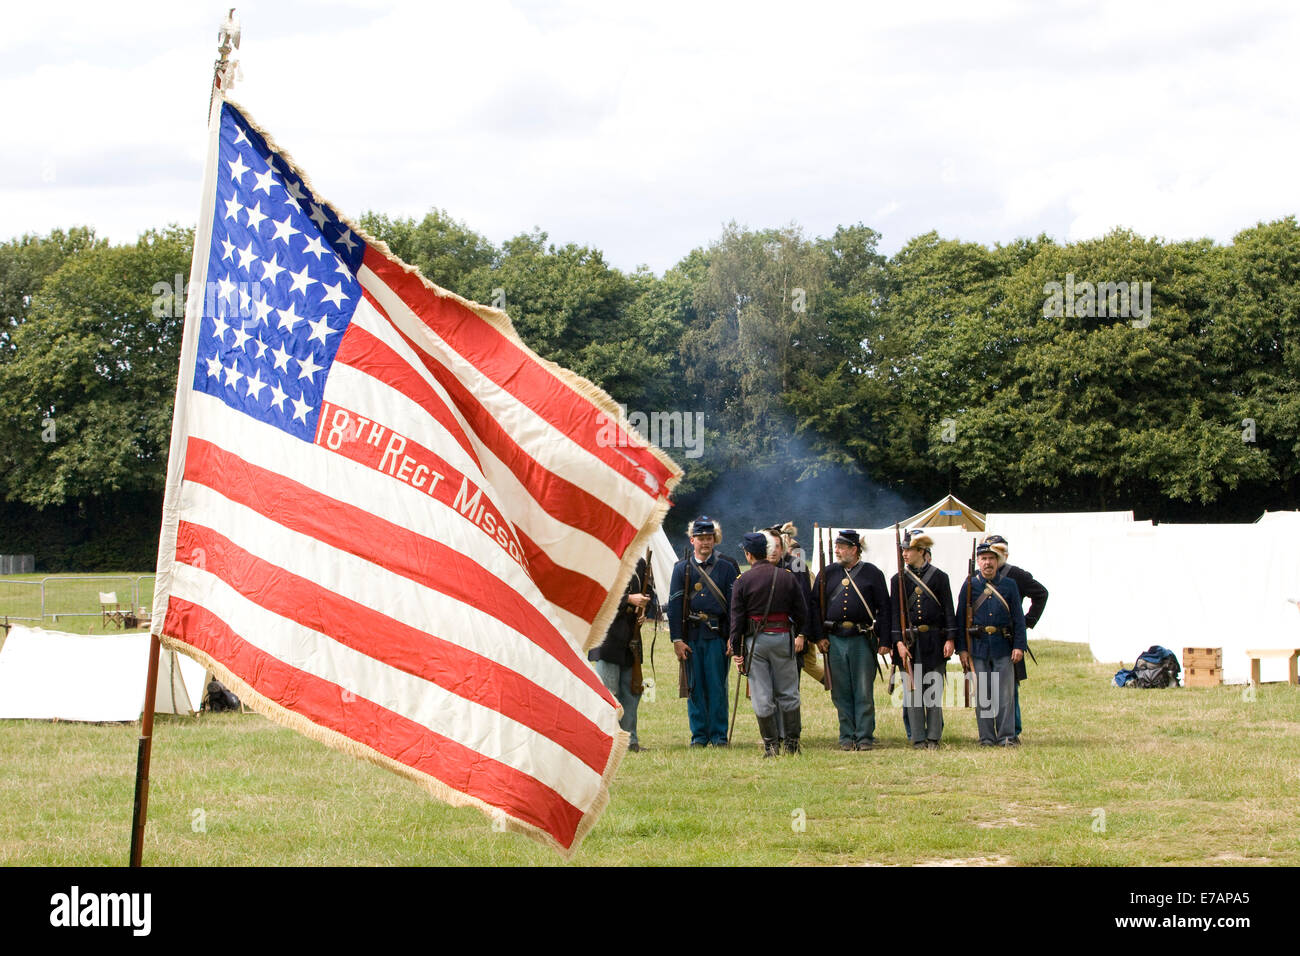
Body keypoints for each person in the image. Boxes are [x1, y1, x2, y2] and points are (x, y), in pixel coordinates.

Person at [810, 529, 891, 751]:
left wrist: (884, 639)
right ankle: (847, 735)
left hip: (862, 639)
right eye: (836, 546)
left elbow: (884, 608)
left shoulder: (872, 574)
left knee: (864, 690)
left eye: (842, 547)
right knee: (840, 690)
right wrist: (819, 636)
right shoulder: (827, 573)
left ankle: (864, 735)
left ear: (854, 550)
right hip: (834, 639)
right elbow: (815, 606)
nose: (837, 551)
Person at [729, 531, 808, 756]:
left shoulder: (742, 581)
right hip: (783, 637)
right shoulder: (786, 576)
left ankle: (771, 746)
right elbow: (801, 612)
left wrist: (737, 650)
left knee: (762, 694)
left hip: (756, 643)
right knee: (789, 692)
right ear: (765, 552)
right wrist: (799, 633)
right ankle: (792, 744)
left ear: (747, 554)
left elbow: (737, 620)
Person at [666, 516, 739, 747]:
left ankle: (718, 736)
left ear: (714, 540)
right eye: (701, 539)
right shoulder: (681, 568)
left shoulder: (727, 567)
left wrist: (732, 638)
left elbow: (733, 607)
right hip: (692, 637)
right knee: (694, 687)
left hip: (717, 635)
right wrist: (677, 639)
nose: (705, 542)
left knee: (717, 687)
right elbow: (675, 606)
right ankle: (699, 736)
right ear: (692, 540)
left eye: (709, 538)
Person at [889, 529, 957, 750]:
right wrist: (898, 643)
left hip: (934, 641)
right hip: (909, 643)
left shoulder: (940, 577)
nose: (904, 554)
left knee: (933, 692)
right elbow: (894, 615)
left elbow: (949, 610)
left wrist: (950, 639)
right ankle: (918, 738)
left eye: (908, 550)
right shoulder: (898, 580)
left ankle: (934, 737)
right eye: (903, 550)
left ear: (921, 551)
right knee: (912, 692)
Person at [956, 541, 1027, 746]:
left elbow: (1018, 619)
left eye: (992, 559)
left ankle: (1006, 736)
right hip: (977, 648)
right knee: (983, 695)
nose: (988, 562)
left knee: (1005, 695)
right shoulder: (970, 585)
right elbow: (961, 618)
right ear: (978, 561)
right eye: (984, 559)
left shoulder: (1009, 585)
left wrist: (1019, 646)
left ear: (998, 561)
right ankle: (986, 737)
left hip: (1003, 646)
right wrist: (962, 649)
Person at [980, 534, 1048, 737]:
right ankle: (989, 734)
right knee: (986, 688)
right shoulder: (978, 577)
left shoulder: (1017, 576)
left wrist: (1027, 622)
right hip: (985, 641)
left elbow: (1041, 593)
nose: (990, 559)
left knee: (1010, 688)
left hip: (1009, 638)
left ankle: (1013, 730)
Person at [589, 556, 650, 752]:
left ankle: (630, 740)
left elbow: (649, 593)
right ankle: (607, 740)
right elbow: (596, 594)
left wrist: (644, 609)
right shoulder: (604, 557)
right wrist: (629, 599)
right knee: (608, 694)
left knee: (631, 692)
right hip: (608, 637)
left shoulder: (640, 563)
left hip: (630, 637)